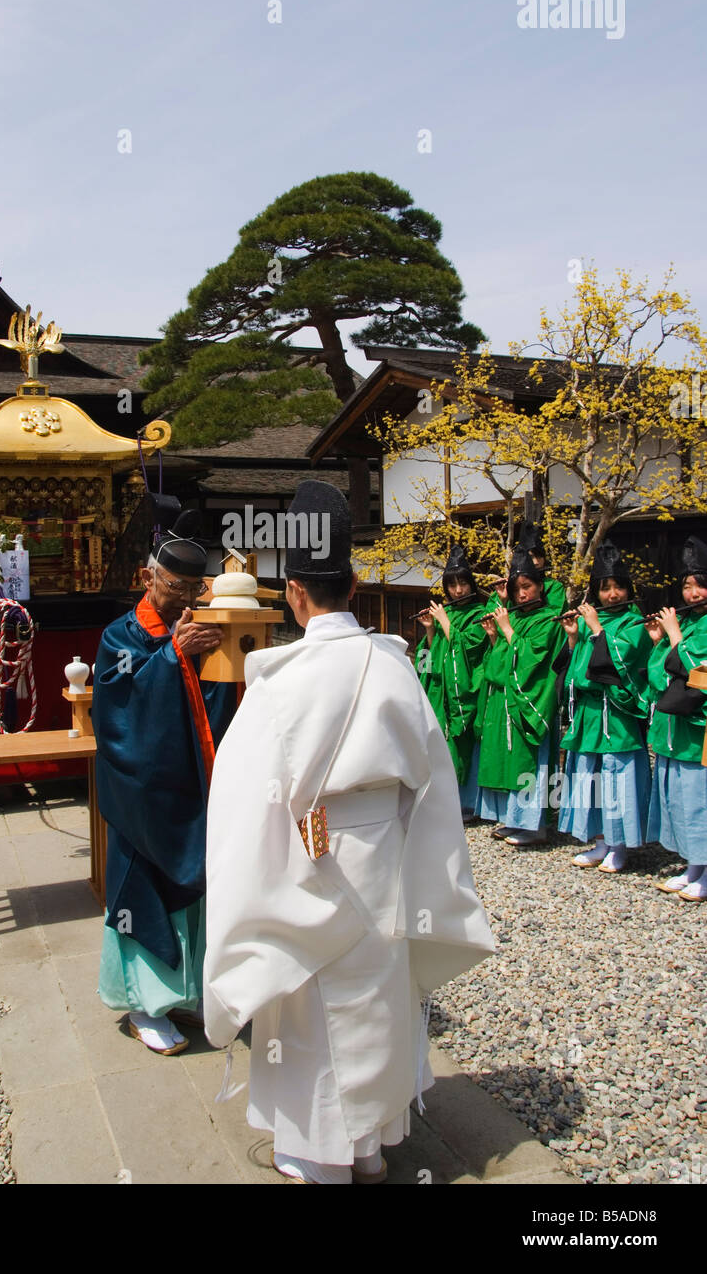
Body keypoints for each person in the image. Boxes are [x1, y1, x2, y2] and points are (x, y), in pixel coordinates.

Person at [203, 481, 494, 1185]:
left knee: (304, 995)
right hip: (384, 854)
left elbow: (241, 805)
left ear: (294, 592)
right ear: (356, 583)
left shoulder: (277, 682)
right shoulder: (395, 669)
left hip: (305, 855)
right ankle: (369, 1146)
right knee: (375, 994)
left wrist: (249, 896)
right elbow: (432, 784)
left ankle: (314, 1155)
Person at [92, 509, 236, 1054]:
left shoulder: (203, 629)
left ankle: (187, 992)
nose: (182, 598)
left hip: (193, 785)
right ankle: (142, 1004)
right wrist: (173, 655)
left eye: (192, 588)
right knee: (145, 887)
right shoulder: (119, 637)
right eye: (173, 586)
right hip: (142, 794)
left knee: (195, 889)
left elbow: (222, 703)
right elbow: (119, 714)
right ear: (147, 578)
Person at [556, 542, 652, 873]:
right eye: (605, 588)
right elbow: (573, 671)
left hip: (617, 714)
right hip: (589, 713)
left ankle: (620, 845)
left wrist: (596, 630)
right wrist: (572, 637)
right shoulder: (586, 621)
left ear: (628, 589)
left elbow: (618, 665)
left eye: (618, 587)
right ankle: (599, 840)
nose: (612, 595)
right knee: (590, 777)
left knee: (617, 778)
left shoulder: (634, 623)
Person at [476, 542, 565, 846]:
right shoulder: (515, 618)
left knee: (530, 759)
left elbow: (531, 661)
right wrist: (493, 636)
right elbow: (498, 668)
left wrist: (507, 631)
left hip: (532, 701)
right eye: (516, 590)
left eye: (527, 587)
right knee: (513, 760)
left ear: (541, 586)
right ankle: (515, 819)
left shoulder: (549, 619)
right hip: (509, 699)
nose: (522, 594)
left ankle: (535, 825)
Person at [645, 535, 707, 902]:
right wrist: (660, 642)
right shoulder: (687, 624)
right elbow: (658, 677)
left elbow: (698, 672)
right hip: (676, 730)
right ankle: (694, 865)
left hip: (699, 731)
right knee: (681, 799)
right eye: (687, 586)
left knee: (700, 799)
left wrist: (675, 638)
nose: (694, 593)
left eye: (701, 585)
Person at [415, 545, 488, 821]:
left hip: (465, 691)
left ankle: (468, 804)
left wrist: (444, 622)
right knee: (441, 747)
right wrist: (431, 630)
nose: (457, 591)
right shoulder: (448, 613)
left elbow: (470, 648)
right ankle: (444, 800)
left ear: (472, 584)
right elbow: (431, 657)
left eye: (463, 583)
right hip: (442, 691)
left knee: (463, 746)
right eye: (452, 585)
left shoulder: (480, 612)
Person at [519, 521, 567, 614]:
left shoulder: (554, 587)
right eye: (531, 557)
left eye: (539, 556)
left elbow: (554, 615)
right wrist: (503, 598)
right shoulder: (511, 587)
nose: (536, 562)